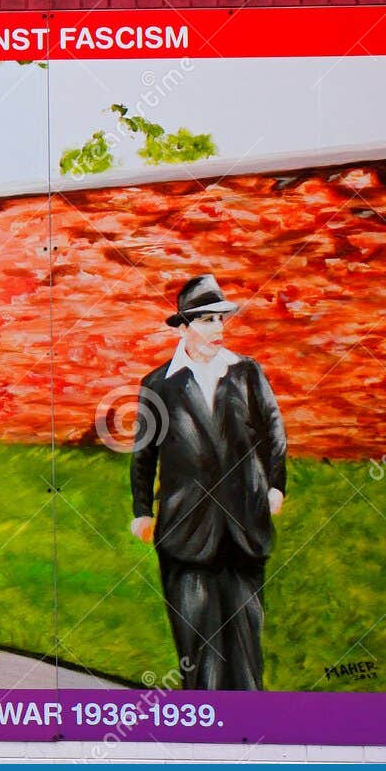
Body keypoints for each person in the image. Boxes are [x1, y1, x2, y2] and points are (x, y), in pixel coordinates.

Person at [129, 274, 287, 691]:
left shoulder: (247, 373)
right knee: (195, 639)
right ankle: (203, 719)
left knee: (245, 635)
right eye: (207, 320)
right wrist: (143, 512)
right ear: (183, 327)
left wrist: (275, 487)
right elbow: (144, 455)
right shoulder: (158, 385)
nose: (218, 329)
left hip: (244, 525)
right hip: (186, 529)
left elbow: (274, 433)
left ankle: (249, 722)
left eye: (221, 319)